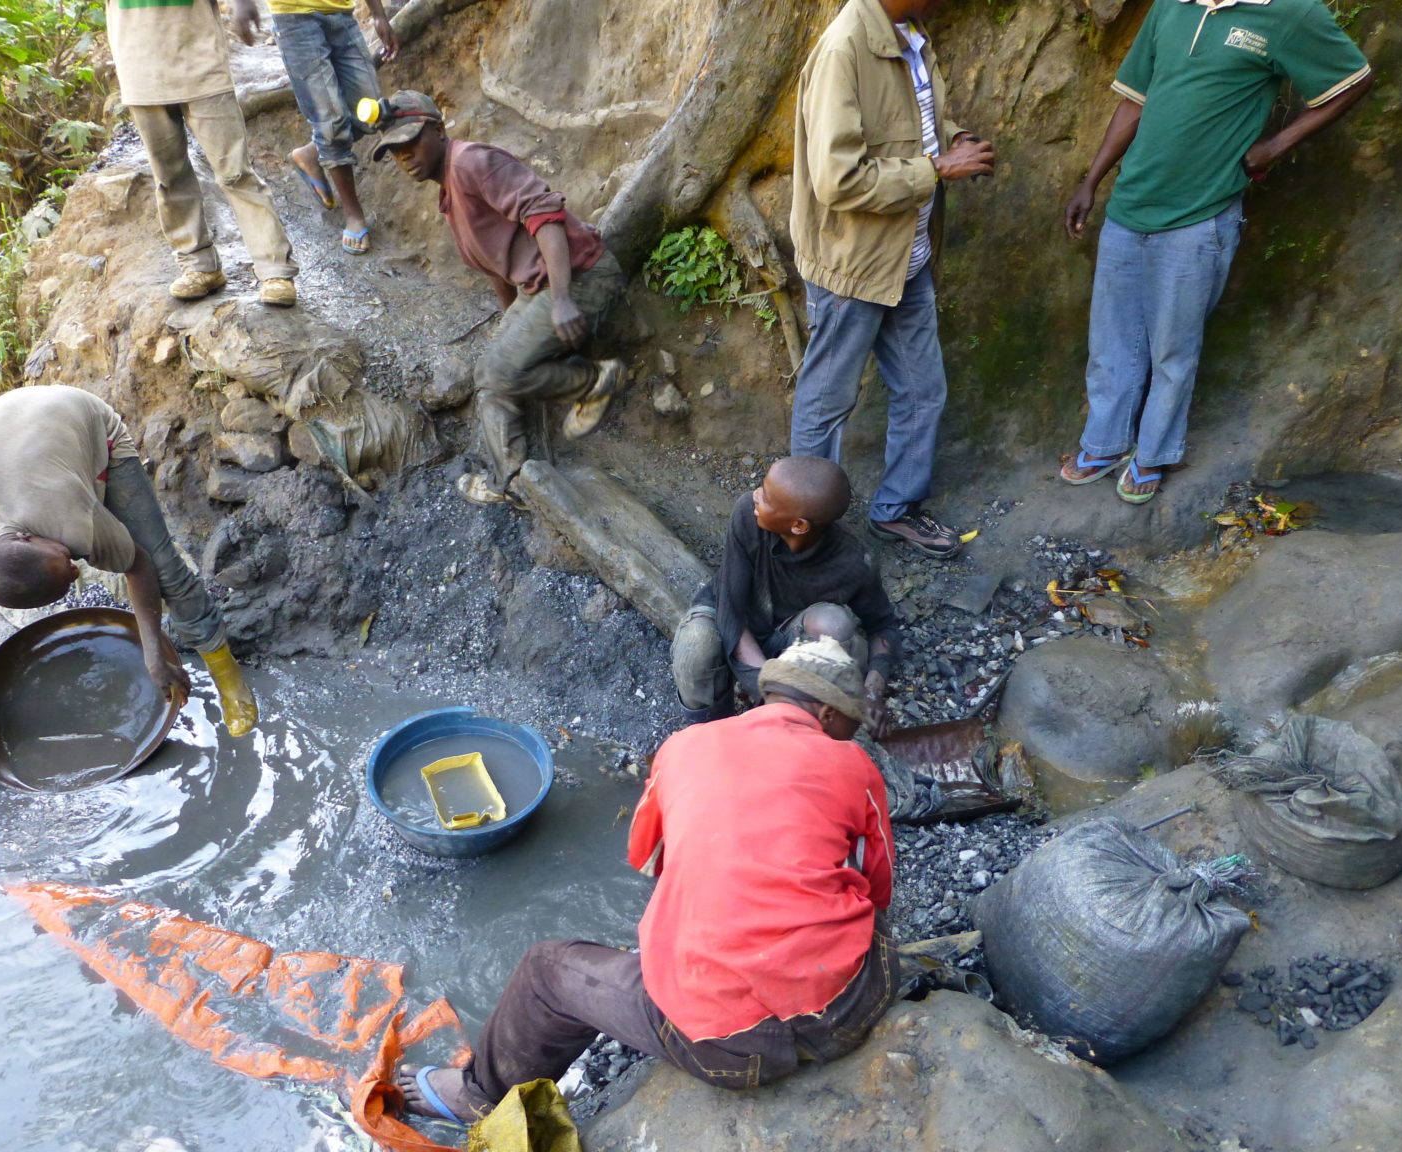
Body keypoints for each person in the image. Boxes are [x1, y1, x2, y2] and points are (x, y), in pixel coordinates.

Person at [395, 638, 918, 1122]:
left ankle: (478, 1096)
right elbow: (878, 889)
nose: (855, 735)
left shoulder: (685, 746)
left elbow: (648, 858)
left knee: (544, 971)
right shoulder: (852, 763)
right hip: (851, 1009)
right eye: (851, 722)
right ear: (825, 712)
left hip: (723, 1049)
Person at [1060, 0, 1371, 505]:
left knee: (1172, 350)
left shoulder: (1289, 13)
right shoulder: (1169, 7)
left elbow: (1354, 80)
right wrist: (1091, 180)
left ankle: (1152, 456)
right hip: (1130, 204)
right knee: (1111, 339)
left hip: (1200, 216)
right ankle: (1104, 444)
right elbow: (1135, 100)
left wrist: (1275, 146)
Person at [0, 386, 258, 743]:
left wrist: (153, 656)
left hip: (81, 418)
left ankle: (227, 675)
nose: (77, 566)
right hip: (2, 435)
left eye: (67, 561)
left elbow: (138, 567)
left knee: (165, 567)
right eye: (69, 565)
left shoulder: (77, 523)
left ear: (29, 537)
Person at [789, 0, 993, 559]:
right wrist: (937, 170)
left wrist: (953, 138)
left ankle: (896, 510)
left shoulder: (909, 34)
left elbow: (911, 124)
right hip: (853, 264)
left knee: (923, 391)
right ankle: (804, 531)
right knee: (826, 402)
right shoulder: (844, 48)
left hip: (908, 255)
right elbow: (837, 180)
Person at [366, 90, 626, 505]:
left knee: (497, 373)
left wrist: (561, 300)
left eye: (410, 142)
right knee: (491, 378)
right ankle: (517, 483)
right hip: (535, 288)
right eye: (394, 150)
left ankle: (595, 380)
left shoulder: (471, 162)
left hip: (580, 277)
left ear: (438, 129)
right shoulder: (449, 193)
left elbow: (544, 214)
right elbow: (495, 267)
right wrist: (514, 326)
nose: (403, 156)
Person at [671, 456, 899, 731]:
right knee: (696, 644)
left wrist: (872, 691)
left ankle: (792, 729)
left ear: (799, 526)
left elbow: (883, 625)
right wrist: (769, 684)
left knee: (837, 626)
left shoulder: (854, 563)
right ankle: (709, 730)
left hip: (786, 637)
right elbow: (731, 607)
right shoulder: (747, 514)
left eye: (766, 497)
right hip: (728, 618)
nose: (755, 495)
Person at [106, 0, 300, 306]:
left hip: (201, 64)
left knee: (235, 172)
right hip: (139, 69)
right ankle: (199, 266)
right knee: (169, 177)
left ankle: (274, 269)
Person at [233, 0, 396, 255]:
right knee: (330, 121)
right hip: (295, 18)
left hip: (342, 14)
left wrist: (378, 14)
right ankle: (353, 214)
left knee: (371, 111)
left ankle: (310, 153)